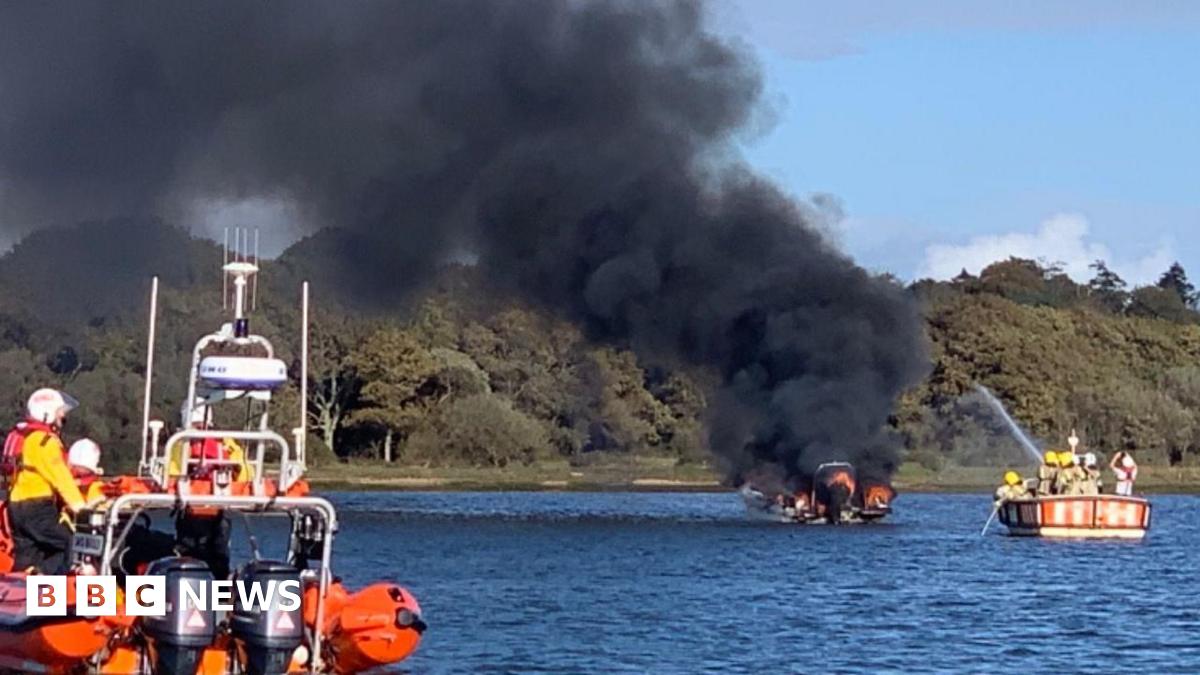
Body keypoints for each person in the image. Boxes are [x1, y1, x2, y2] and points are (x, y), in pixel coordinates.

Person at [5, 389, 98, 573]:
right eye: (60, 413)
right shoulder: (45, 442)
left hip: (15, 509)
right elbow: (61, 479)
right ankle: (42, 577)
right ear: (46, 413)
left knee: (26, 556)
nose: (62, 417)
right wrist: (81, 508)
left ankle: (20, 586)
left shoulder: (23, 437)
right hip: (38, 508)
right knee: (73, 544)